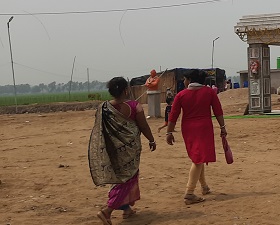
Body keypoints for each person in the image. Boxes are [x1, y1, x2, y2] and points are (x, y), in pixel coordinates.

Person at [89, 77, 156, 225]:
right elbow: (143, 126)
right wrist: (151, 140)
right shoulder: (134, 106)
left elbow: (100, 129)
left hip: (112, 149)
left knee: (120, 176)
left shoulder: (104, 107)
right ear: (126, 90)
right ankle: (107, 211)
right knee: (127, 179)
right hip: (130, 149)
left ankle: (126, 209)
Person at [165, 69, 226, 205]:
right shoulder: (209, 92)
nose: (184, 81)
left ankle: (204, 187)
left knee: (198, 156)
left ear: (190, 80)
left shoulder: (181, 95)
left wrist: (169, 132)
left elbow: (173, 116)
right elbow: (218, 111)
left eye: (185, 79)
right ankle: (190, 192)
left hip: (188, 128)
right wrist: (222, 127)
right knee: (198, 158)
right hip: (204, 128)